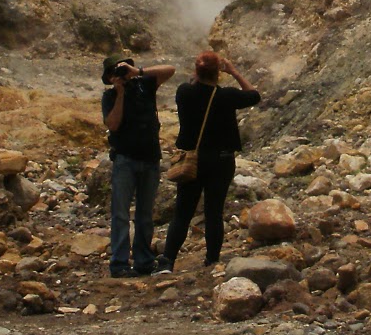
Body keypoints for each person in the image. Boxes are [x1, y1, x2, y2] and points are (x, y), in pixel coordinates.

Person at [158, 52, 260, 273]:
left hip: (192, 159)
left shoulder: (183, 92)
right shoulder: (226, 96)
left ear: (196, 71)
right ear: (218, 73)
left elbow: (193, 83)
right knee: (214, 211)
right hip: (222, 160)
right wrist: (233, 71)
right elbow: (254, 95)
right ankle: (212, 260)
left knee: (183, 212)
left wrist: (198, 73)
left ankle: (167, 261)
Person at [100, 52, 175, 278]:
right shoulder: (110, 97)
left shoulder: (145, 85)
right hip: (125, 159)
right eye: (117, 72)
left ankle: (144, 260)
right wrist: (121, 94)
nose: (122, 75)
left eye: (123, 69)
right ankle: (120, 263)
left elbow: (170, 70)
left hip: (150, 157)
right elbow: (113, 125)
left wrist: (138, 72)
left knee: (145, 214)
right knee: (120, 214)